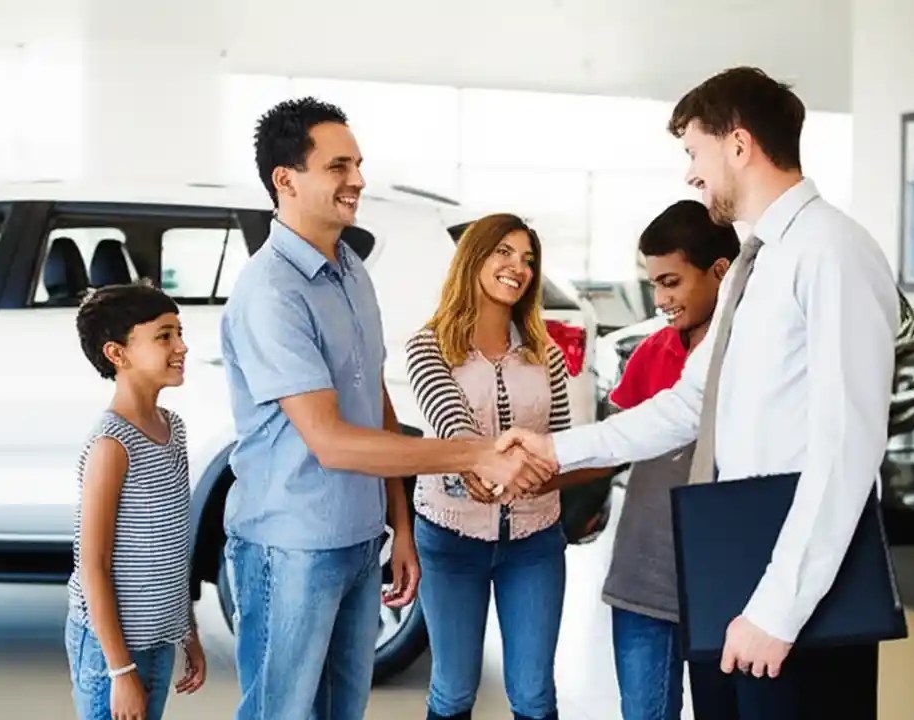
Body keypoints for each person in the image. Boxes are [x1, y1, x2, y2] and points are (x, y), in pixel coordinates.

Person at [498, 66, 899, 720]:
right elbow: (690, 405)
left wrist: (778, 608)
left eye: (694, 151)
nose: (690, 173)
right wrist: (554, 448)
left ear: (739, 145)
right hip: (736, 571)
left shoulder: (832, 251)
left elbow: (847, 446)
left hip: (794, 593)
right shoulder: (758, 263)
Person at [219, 97, 552, 720]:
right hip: (291, 548)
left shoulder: (349, 270)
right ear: (285, 180)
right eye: (338, 165)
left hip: (357, 540)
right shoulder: (271, 292)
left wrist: (399, 519)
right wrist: (478, 450)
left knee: (343, 711)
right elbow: (333, 441)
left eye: (359, 163)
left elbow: (374, 398)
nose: (359, 180)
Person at [404, 213, 600, 720]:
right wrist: (492, 464)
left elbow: (559, 444)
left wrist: (535, 469)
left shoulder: (546, 356)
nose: (519, 267)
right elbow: (454, 426)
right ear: (474, 257)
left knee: (534, 694)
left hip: (534, 542)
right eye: (504, 252)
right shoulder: (428, 347)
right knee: (453, 690)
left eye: (529, 259)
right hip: (450, 540)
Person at [603, 200, 739, 720]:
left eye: (671, 283)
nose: (659, 299)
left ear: (720, 272)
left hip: (725, 586)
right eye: (653, 283)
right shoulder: (651, 352)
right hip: (644, 580)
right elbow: (615, 445)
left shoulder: (756, 354)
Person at [65, 283, 208, 720]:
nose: (181, 346)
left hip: (159, 637)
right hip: (112, 650)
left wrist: (188, 630)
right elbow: (94, 565)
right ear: (117, 353)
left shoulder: (173, 429)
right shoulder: (112, 444)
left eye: (179, 333)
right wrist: (120, 670)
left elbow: (171, 547)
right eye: (164, 336)